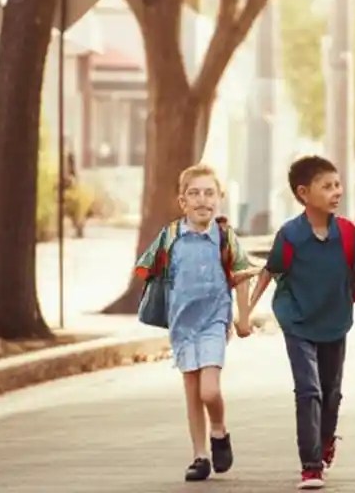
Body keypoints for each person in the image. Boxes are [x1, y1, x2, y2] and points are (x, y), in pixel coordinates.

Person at [248, 155, 355, 490]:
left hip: (335, 322)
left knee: (331, 393)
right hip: (297, 321)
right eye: (327, 186)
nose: (337, 192)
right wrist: (245, 312)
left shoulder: (348, 233)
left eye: (338, 185)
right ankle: (311, 465)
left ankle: (326, 439)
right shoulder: (290, 234)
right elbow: (270, 271)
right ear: (304, 193)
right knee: (309, 390)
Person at [132, 163, 258, 482]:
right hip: (182, 325)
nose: (202, 200)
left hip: (214, 321)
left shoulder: (225, 236)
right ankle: (199, 455)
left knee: (209, 391)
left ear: (220, 199)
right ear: (182, 202)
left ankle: (219, 430)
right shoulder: (171, 235)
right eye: (194, 193)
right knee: (191, 391)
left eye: (209, 193)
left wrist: (244, 320)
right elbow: (148, 270)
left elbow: (241, 275)